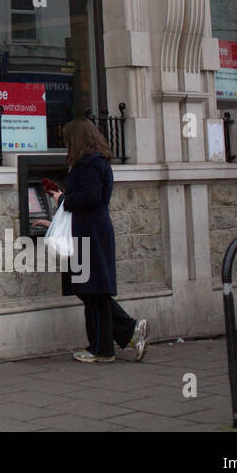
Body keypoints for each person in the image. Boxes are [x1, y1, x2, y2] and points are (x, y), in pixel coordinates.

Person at [46, 117, 148, 363]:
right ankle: (127, 333)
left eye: (68, 140)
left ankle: (102, 349)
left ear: (78, 140)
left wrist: (62, 198)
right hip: (91, 230)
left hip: (89, 233)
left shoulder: (89, 165)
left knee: (93, 291)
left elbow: (89, 197)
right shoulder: (97, 163)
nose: (66, 145)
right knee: (92, 291)